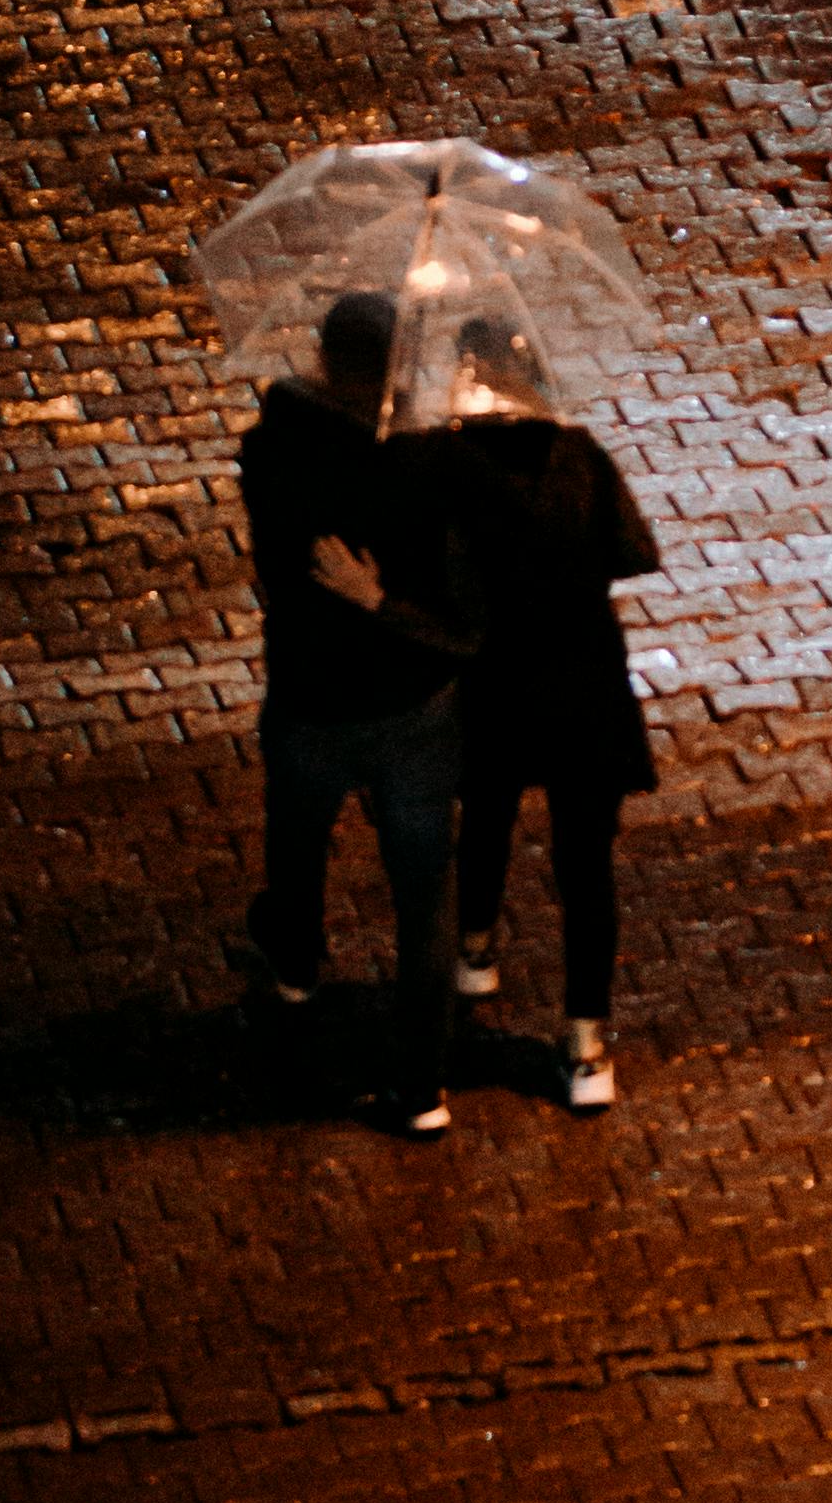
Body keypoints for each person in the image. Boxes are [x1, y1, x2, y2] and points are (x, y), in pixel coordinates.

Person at [234, 290, 481, 1136]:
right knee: (425, 898)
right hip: (412, 705)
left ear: (325, 358)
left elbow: (272, 526)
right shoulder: (432, 462)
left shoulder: (277, 453)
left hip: (312, 698)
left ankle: (297, 965)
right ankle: (422, 1089)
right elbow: (460, 598)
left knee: (297, 840)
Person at [437, 317, 660, 1113]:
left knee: (488, 809)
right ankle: (588, 1044)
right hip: (584, 683)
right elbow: (636, 551)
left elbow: (444, 581)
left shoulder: (451, 465)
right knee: (586, 869)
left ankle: (474, 947)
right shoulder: (581, 457)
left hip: (496, 679)